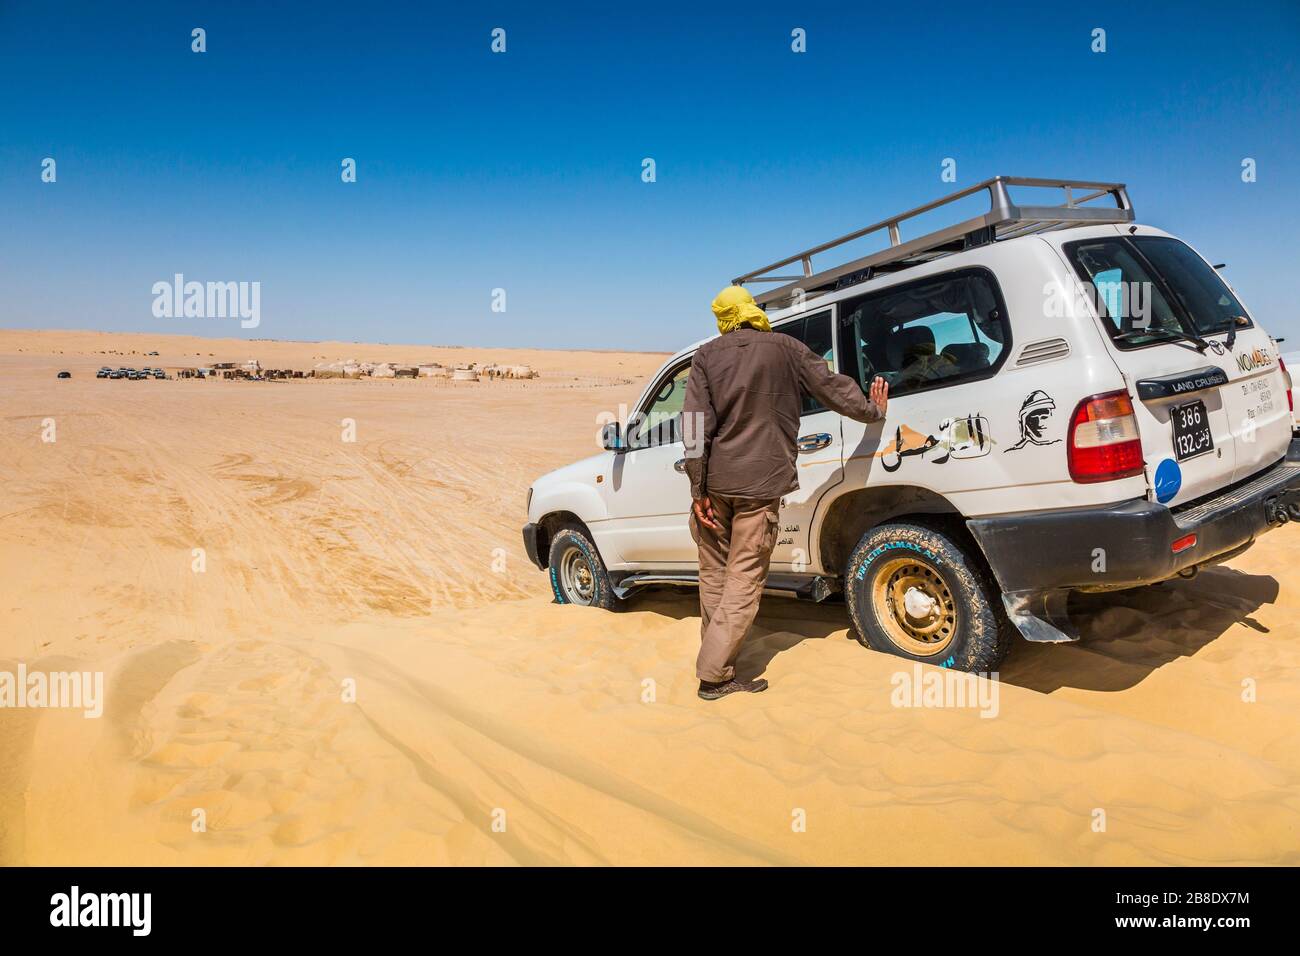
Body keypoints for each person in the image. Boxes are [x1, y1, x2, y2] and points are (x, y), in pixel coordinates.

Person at [682, 285, 888, 700]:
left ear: (722, 316)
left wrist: (697, 487)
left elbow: (692, 425)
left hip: (715, 487)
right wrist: (871, 410)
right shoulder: (786, 348)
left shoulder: (706, 356)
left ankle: (719, 662)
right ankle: (714, 675)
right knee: (743, 579)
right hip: (760, 486)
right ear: (752, 310)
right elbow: (832, 387)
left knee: (715, 578)